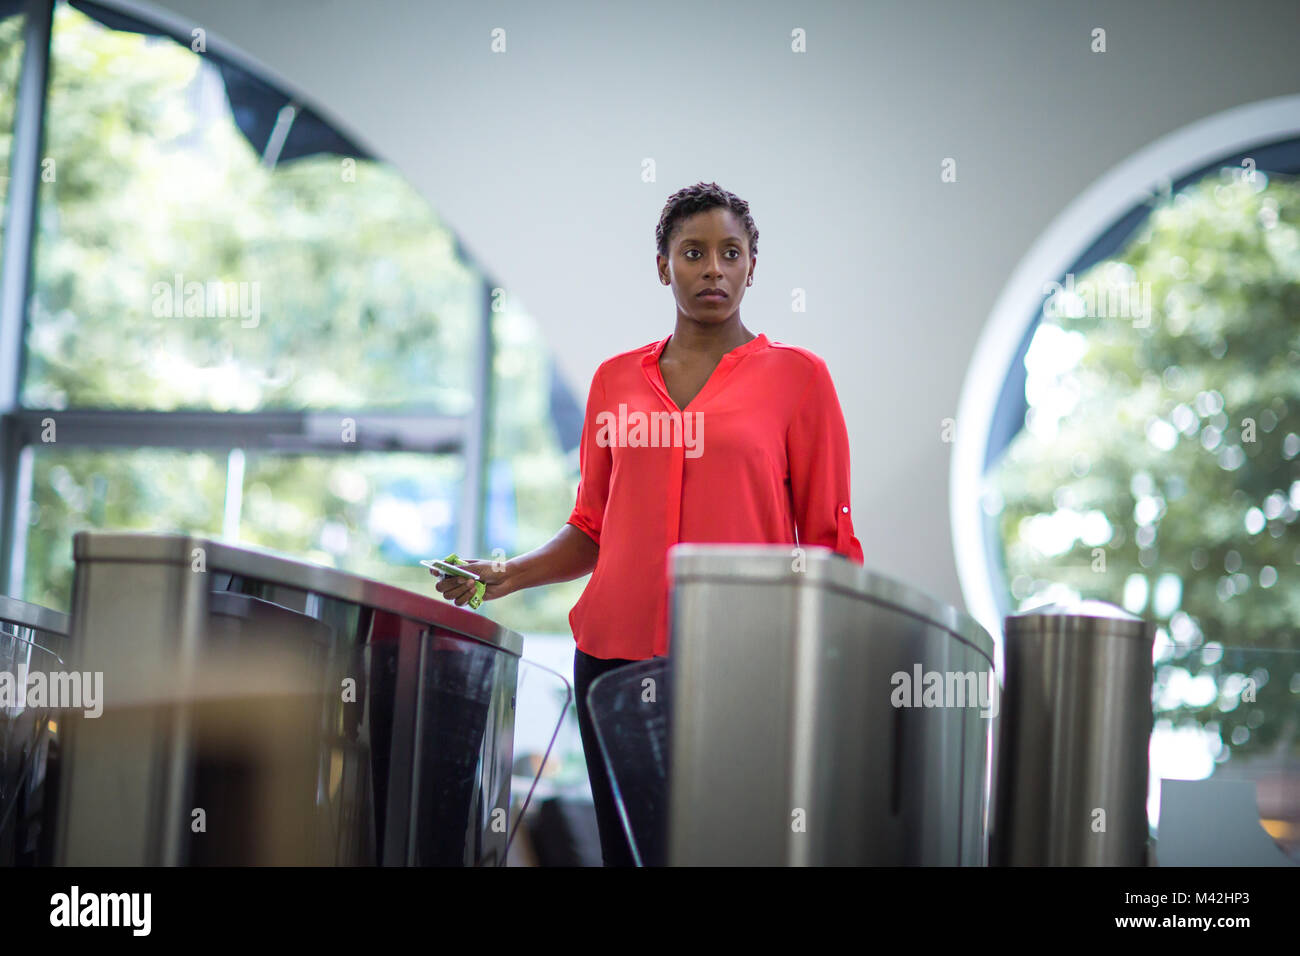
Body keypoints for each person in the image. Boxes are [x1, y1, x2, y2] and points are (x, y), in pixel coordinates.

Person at [433, 181, 864, 866]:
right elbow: (593, 526)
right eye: (693, 253)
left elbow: (829, 545)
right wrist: (505, 574)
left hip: (744, 661)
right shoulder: (614, 382)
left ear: (755, 264)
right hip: (613, 657)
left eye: (730, 252)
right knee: (633, 853)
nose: (712, 269)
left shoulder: (799, 379)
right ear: (664, 266)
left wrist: (831, 668)